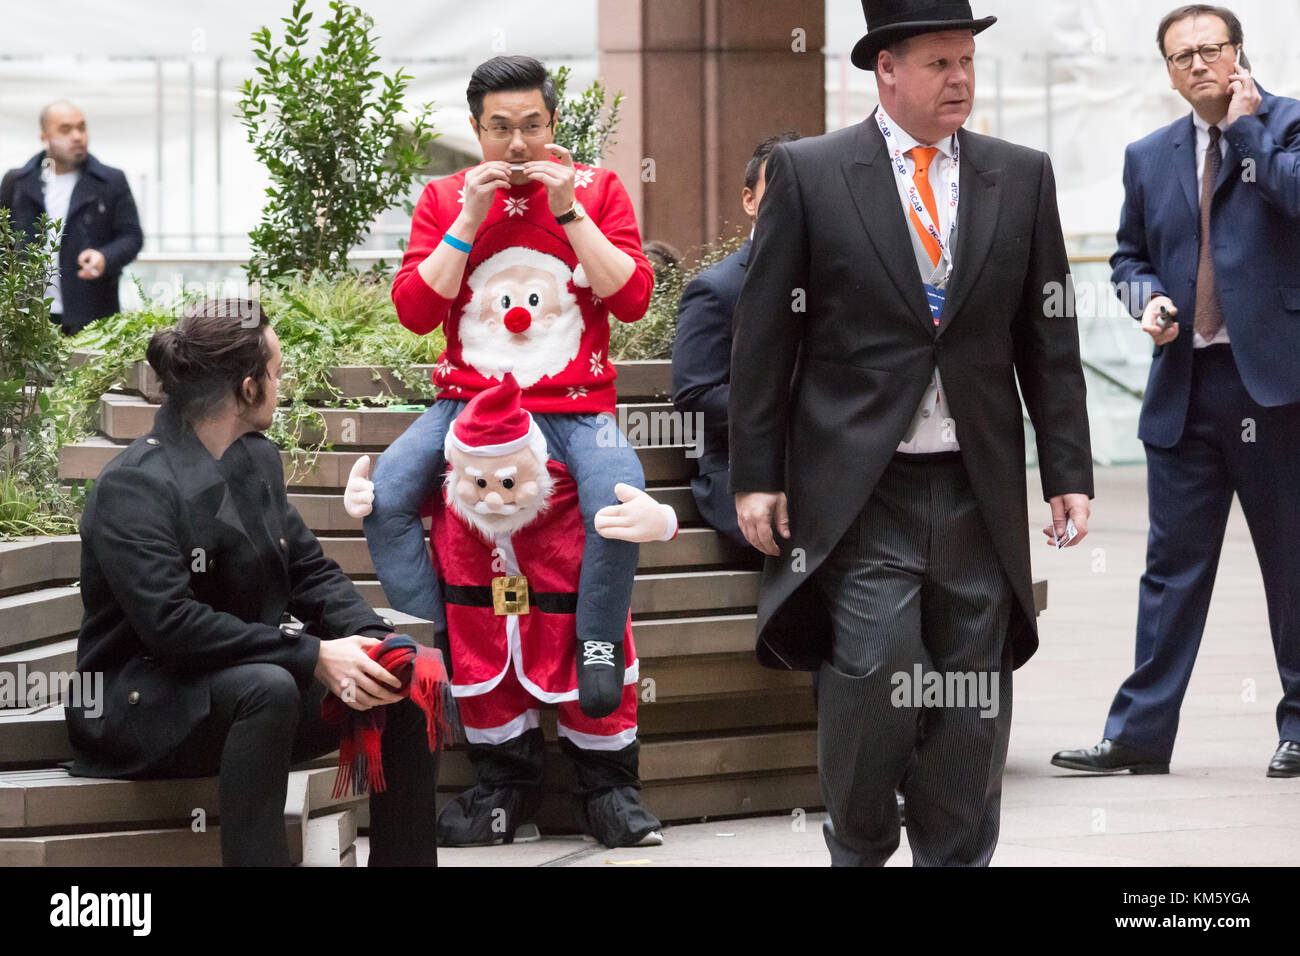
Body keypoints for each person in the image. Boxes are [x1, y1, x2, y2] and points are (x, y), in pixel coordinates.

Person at [729, 0, 1094, 867]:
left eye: (966, 59)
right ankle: (859, 845)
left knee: (973, 697)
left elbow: (1050, 337)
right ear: (885, 69)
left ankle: (956, 855)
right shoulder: (811, 173)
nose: (959, 78)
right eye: (938, 62)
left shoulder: (1021, 173)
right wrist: (756, 475)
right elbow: (764, 339)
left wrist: (1066, 470)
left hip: (975, 486)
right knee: (870, 682)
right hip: (862, 489)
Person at [65, 299, 442, 867]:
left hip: (243, 692)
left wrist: (369, 640)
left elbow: (309, 572)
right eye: (276, 375)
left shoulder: (256, 461)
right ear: (246, 388)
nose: (281, 386)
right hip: (141, 706)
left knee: (401, 683)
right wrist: (313, 653)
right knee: (268, 687)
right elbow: (172, 628)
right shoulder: (134, 487)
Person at [1052, 5, 1300, 779]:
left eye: (1210, 49)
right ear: (1167, 69)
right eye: (1180, 55)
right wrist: (1145, 298)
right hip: (1185, 385)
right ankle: (1140, 736)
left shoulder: (1289, 125)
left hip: (1274, 388)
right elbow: (1129, 255)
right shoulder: (1148, 154)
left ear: (1238, 54)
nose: (1197, 64)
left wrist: (1249, 130)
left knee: (1291, 563)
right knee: (1170, 570)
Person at [370, 55, 653, 722]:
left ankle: (598, 643)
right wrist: (466, 221)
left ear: (554, 122)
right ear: (475, 128)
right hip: (466, 406)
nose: (518, 144)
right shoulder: (445, 197)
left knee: (617, 498)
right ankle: (433, 639)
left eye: (532, 125)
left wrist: (571, 213)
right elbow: (413, 311)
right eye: (500, 128)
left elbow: (634, 299)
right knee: (385, 498)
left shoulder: (598, 188)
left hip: (577, 408)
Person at [672, 130, 800, 549]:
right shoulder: (716, 288)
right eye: (778, 189)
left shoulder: (834, 280)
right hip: (737, 476)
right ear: (749, 200)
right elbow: (695, 394)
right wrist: (797, 403)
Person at [0, 100, 143, 335]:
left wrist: (104, 257)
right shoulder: (17, 182)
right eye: (65, 130)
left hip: (92, 314)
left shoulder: (110, 181)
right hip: (27, 316)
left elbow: (132, 237)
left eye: (82, 128)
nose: (77, 136)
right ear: (44, 136)